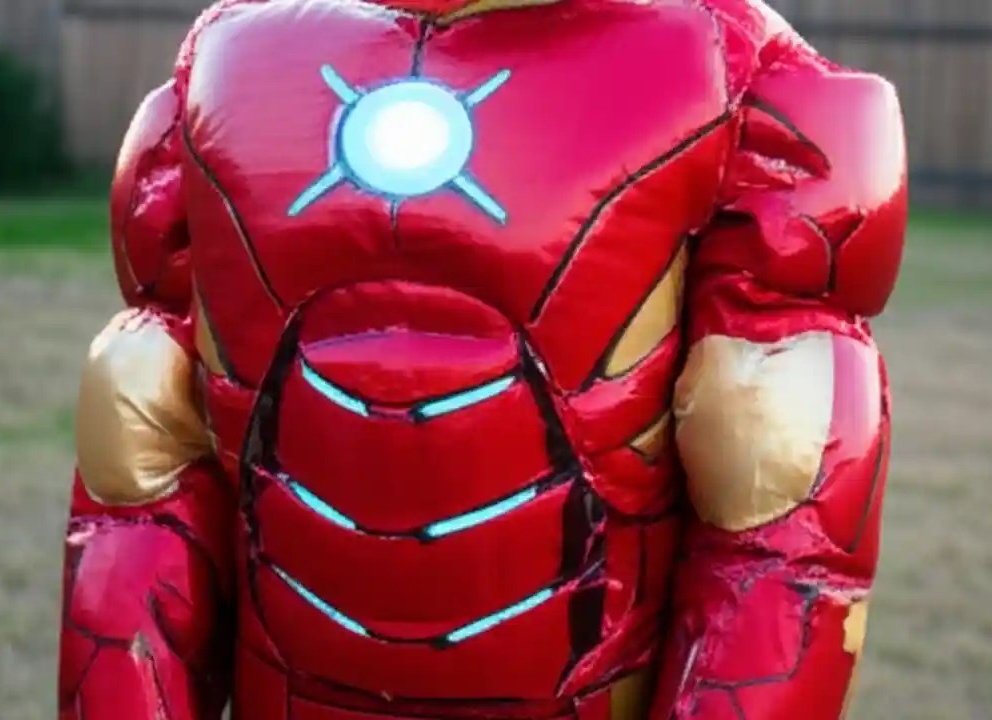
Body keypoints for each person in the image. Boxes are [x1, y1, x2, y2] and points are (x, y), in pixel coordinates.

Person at [57, 0, 907, 717]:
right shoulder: (229, 62)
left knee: (780, 422)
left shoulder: (727, 69)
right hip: (286, 676)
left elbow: (782, 519)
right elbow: (145, 478)